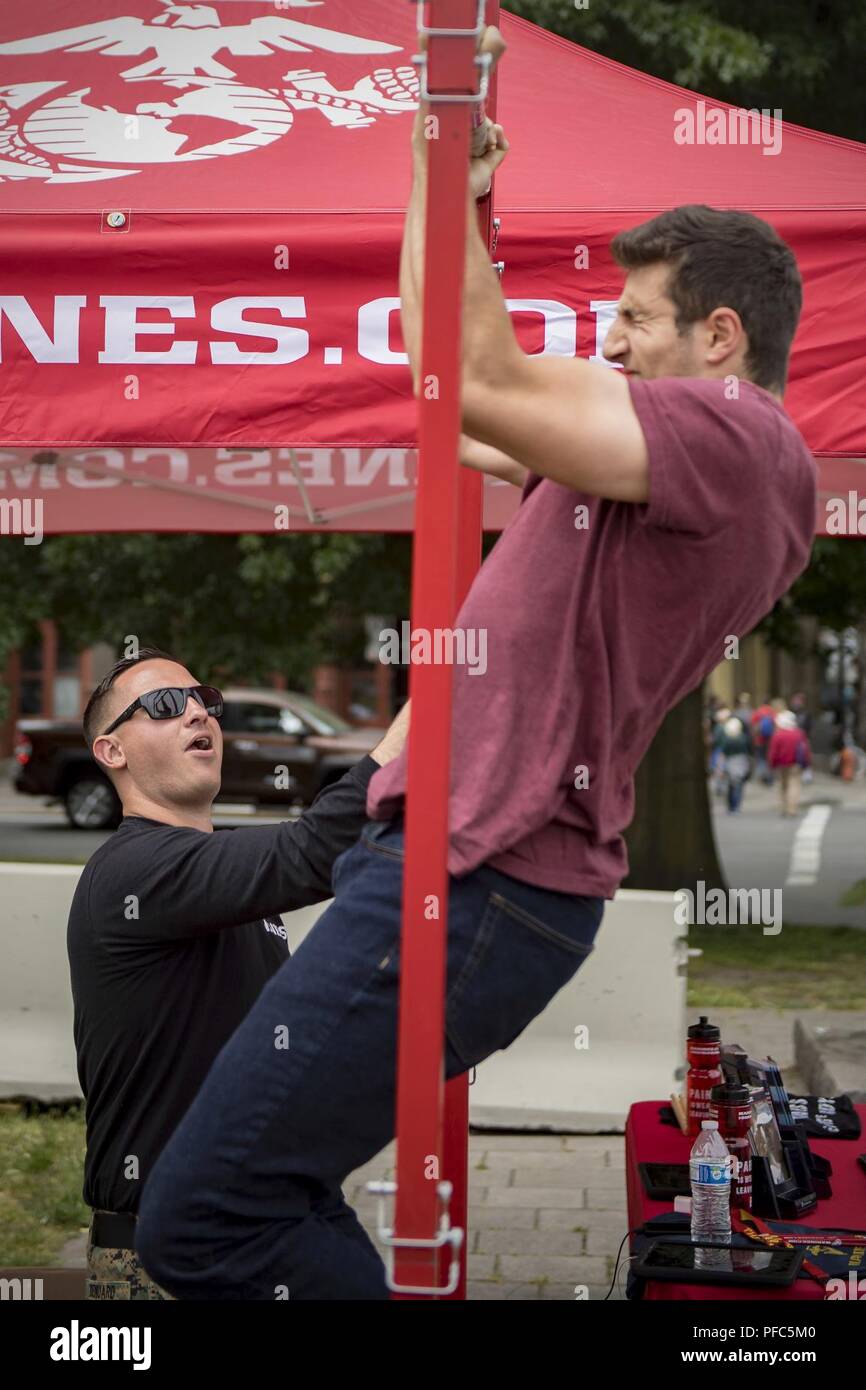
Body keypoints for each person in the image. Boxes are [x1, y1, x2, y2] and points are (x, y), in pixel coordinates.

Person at [136, 27, 817, 1300]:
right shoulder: (666, 460)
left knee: (205, 1218)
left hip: (482, 871)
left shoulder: (731, 441)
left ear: (720, 338)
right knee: (242, 1199)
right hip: (475, 873)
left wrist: (445, 171)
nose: (610, 342)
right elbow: (444, 381)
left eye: (634, 318)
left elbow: (482, 375)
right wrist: (437, 189)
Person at [68, 647, 409, 1299]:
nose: (198, 711)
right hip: (166, 1252)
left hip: (279, 1214)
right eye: (166, 705)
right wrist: (415, 729)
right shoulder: (131, 871)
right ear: (112, 752)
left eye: (206, 701)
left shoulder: (216, 879)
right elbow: (312, 851)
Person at [767, 709, 811, 815]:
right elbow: (806, 749)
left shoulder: (778, 735)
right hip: (796, 763)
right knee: (794, 785)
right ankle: (792, 808)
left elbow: (773, 752)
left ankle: (785, 807)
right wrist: (807, 763)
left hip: (781, 764)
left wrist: (771, 764)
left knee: (783, 785)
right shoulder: (799, 733)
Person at [716, 716, 752, 813]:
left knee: (730, 785)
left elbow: (722, 754)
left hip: (730, 762)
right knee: (738, 784)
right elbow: (748, 751)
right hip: (741, 762)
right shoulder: (743, 738)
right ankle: (736, 805)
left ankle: (731, 805)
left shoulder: (727, 739)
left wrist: (720, 767)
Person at [750, 697, 777, 784]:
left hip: (759, 740)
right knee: (769, 758)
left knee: (761, 759)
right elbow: (776, 726)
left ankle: (762, 777)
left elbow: (752, 726)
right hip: (770, 740)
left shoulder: (757, 712)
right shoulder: (772, 712)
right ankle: (770, 777)